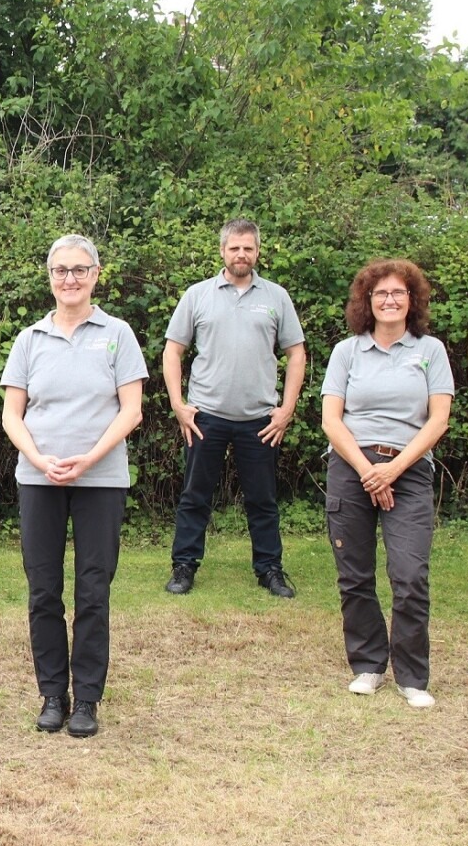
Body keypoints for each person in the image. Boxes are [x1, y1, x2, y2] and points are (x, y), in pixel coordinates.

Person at [1, 236, 146, 738]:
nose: (70, 279)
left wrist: (90, 457)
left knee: (92, 590)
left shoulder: (118, 334)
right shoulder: (29, 339)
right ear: (49, 276)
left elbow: (132, 410)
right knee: (43, 589)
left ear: (96, 274)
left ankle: (86, 698)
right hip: (38, 479)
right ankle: (51, 694)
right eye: (60, 270)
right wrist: (39, 458)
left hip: (100, 479)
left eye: (79, 270)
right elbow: (11, 414)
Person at [321, 259, 453, 709]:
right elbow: (331, 420)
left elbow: (438, 419)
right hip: (352, 467)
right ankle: (368, 665)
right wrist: (367, 471)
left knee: (410, 575)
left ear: (411, 300)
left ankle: (412, 676)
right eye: (381, 294)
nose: (390, 300)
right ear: (367, 301)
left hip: (409, 470)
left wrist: (391, 471)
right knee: (354, 575)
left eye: (398, 293)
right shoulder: (347, 352)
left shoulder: (430, 350)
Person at [162, 219, 306, 598]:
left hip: (260, 419)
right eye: (234, 248)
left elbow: (296, 354)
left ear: (258, 252)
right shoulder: (198, 295)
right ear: (222, 251)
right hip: (205, 416)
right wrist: (179, 405)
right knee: (195, 496)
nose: (241, 254)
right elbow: (173, 351)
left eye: (248, 248)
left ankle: (270, 569)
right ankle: (184, 566)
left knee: (263, 499)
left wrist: (286, 409)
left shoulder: (276, 297)